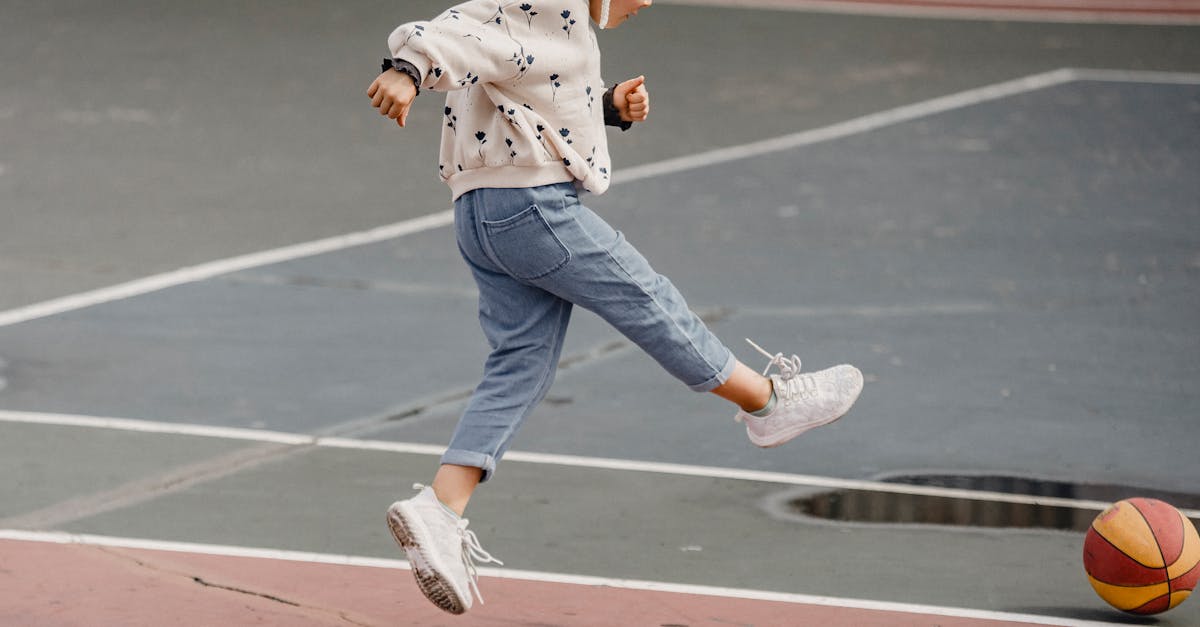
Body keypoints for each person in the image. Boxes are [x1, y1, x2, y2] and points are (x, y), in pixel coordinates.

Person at [367, 0, 864, 614]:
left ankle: (440, 507)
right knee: (647, 298)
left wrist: (606, 109)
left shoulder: (555, 23)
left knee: (520, 362)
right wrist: (407, 69)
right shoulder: (540, 3)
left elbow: (523, 89)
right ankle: (768, 403)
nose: (647, 2)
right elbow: (458, 30)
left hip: (480, 214)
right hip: (531, 207)